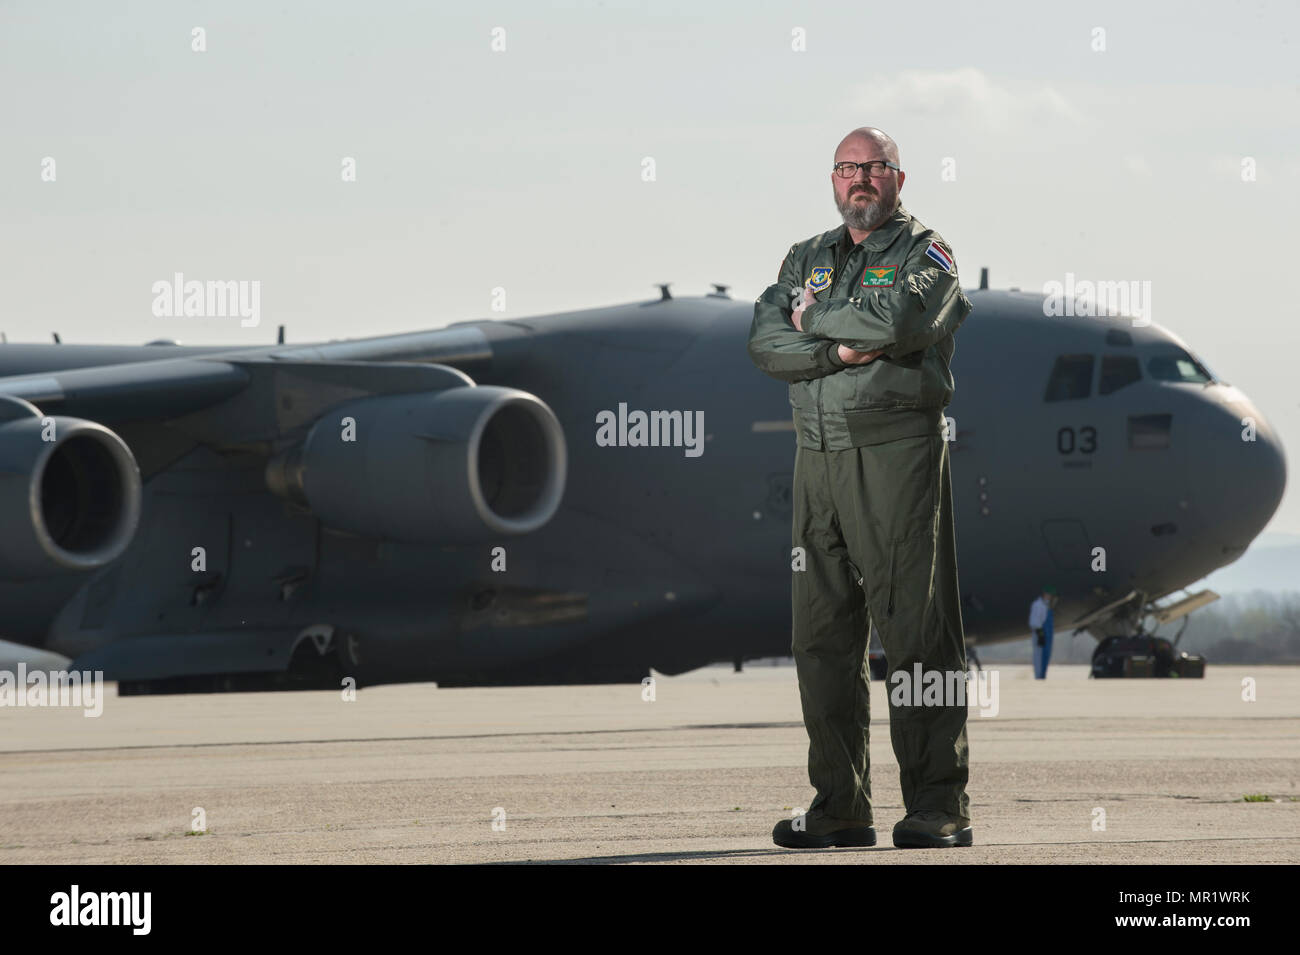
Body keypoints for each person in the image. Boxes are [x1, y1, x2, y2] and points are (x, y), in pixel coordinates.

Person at [747, 126, 974, 849]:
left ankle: (938, 804)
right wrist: (840, 345)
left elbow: (902, 319)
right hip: (815, 458)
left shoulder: (926, 255)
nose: (860, 181)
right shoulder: (807, 256)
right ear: (833, 179)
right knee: (820, 637)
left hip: (895, 452)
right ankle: (839, 804)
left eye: (874, 168)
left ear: (899, 178)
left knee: (915, 629)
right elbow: (763, 340)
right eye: (847, 169)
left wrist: (810, 323)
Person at [1029, 585, 1057, 679]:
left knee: (1046, 657)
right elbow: (1035, 622)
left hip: (1047, 635)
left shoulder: (1047, 606)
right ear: (1046, 594)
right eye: (1051, 595)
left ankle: (1043, 676)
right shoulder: (1038, 605)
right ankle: (1039, 677)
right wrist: (1041, 635)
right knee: (1039, 658)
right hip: (1040, 634)